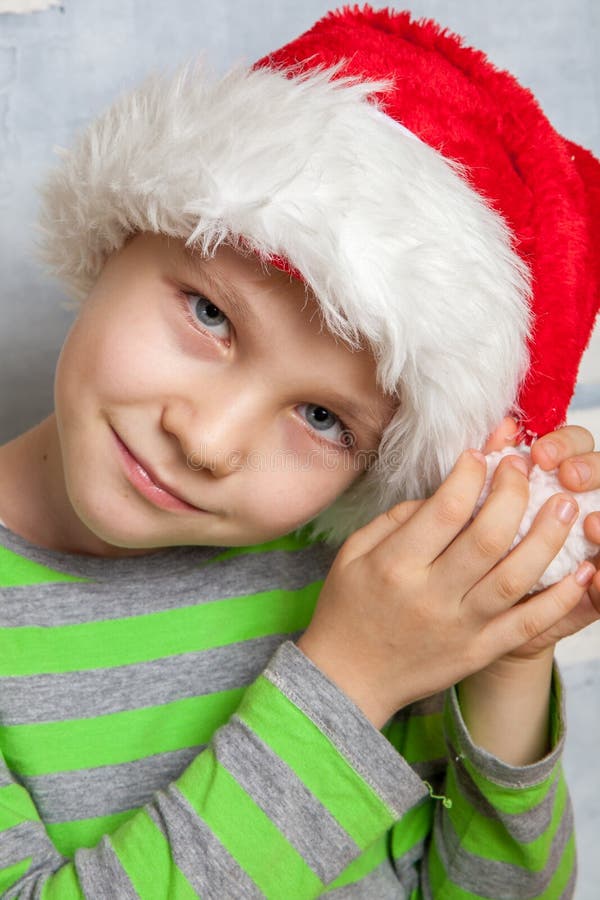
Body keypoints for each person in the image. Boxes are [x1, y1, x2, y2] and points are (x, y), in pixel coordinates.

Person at [0, 6, 599, 898]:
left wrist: (505, 653)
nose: (206, 441)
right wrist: (354, 678)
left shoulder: (372, 583)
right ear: (122, 228)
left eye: (324, 418)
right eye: (210, 314)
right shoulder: (374, 632)